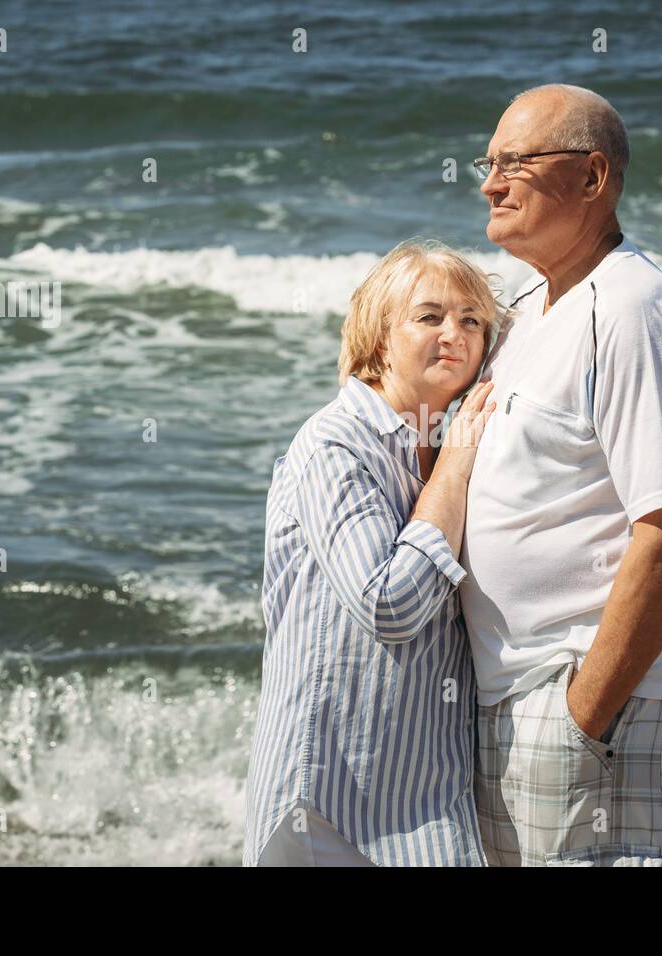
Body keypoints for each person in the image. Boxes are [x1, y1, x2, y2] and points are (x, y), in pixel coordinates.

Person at [462, 84, 662, 866]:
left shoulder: (634, 308)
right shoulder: (531, 302)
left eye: (515, 164)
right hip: (511, 692)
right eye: (488, 162)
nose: (489, 183)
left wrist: (583, 718)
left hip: (583, 697)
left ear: (593, 178)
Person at [242, 239, 503, 866]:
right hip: (328, 809)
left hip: (424, 803)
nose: (455, 333)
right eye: (429, 315)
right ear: (379, 338)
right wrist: (460, 460)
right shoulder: (338, 444)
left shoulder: (434, 451)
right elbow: (388, 605)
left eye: (472, 321)